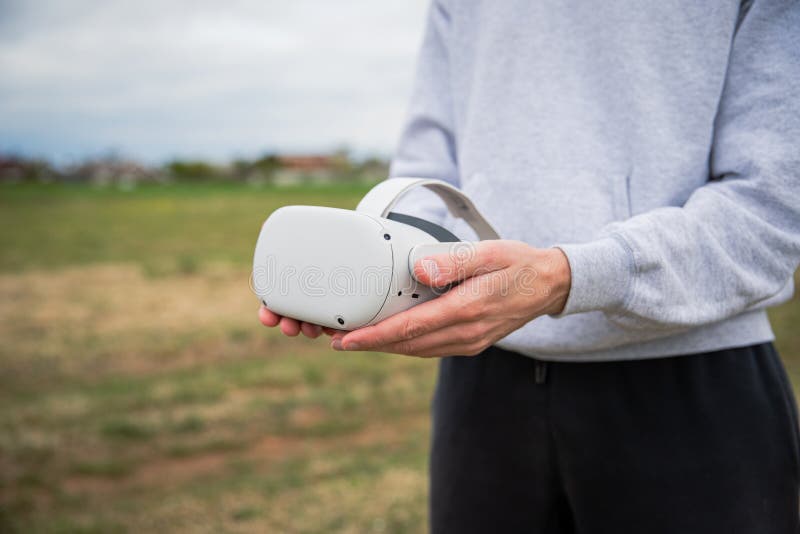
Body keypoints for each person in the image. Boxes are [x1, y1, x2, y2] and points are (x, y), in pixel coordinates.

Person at [259, 0, 800, 532]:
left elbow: (770, 206)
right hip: (482, 382)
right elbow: (427, 169)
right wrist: (387, 270)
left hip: (691, 387)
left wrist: (574, 275)